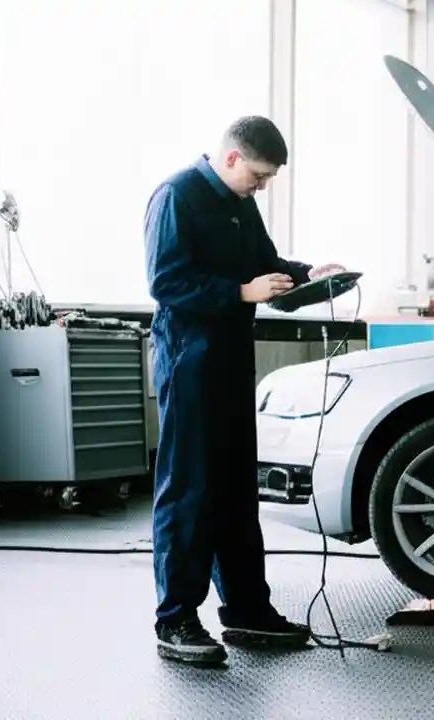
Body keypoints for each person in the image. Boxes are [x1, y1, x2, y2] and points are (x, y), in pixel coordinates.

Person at [143, 116, 345, 665]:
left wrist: (308, 274)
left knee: (235, 490)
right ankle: (176, 619)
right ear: (232, 158)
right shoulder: (176, 196)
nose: (262, 186)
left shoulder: (240, 204)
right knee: (189, 490)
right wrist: (240, 291)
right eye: (258, 175)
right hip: (189, 363)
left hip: (230, 361)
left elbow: (264, 267)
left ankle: (246, 610)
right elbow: (166, 281)